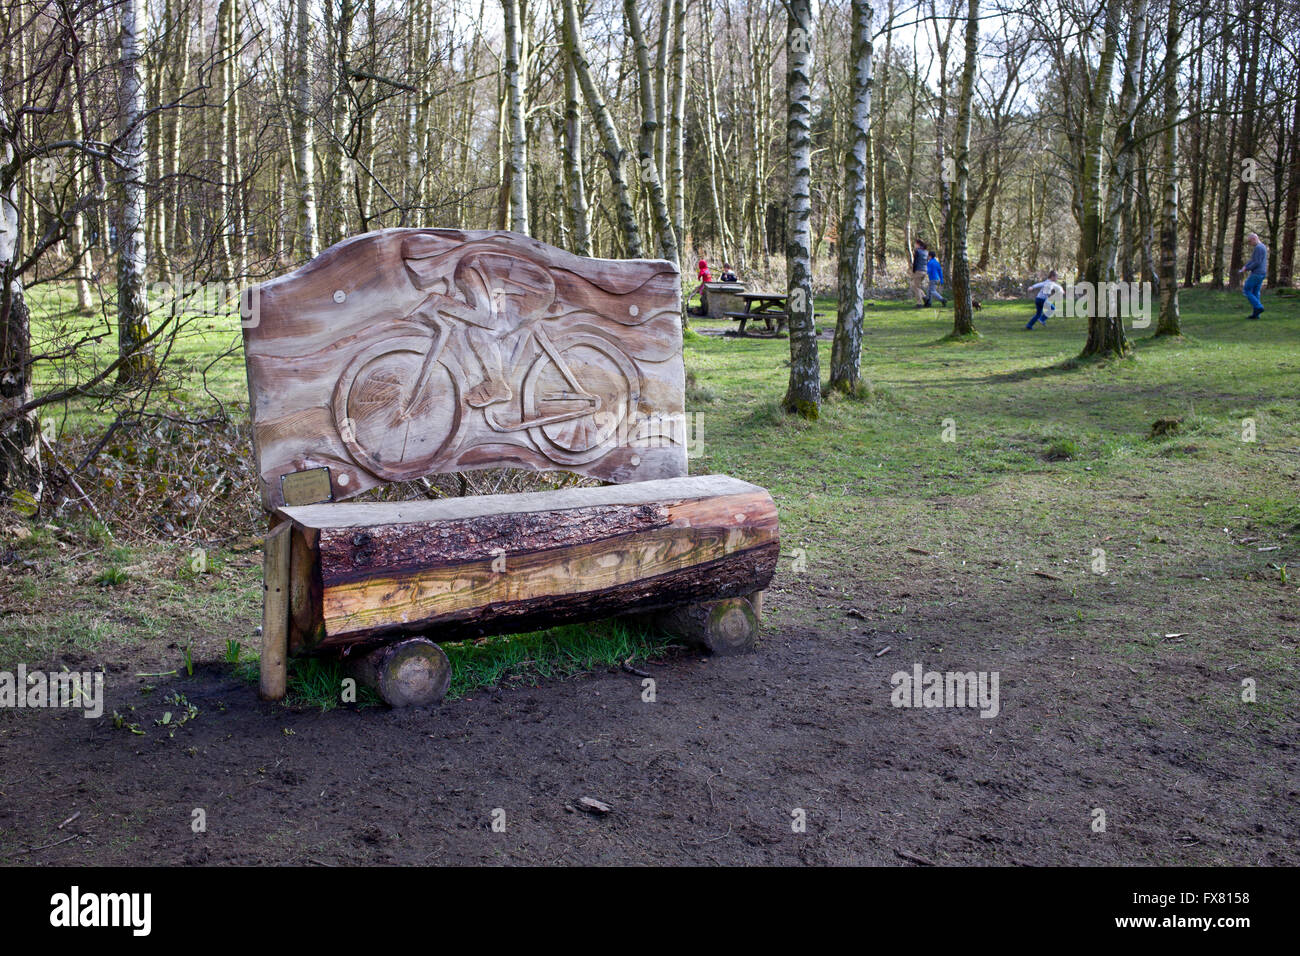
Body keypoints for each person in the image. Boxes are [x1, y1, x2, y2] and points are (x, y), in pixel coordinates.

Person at [1239, 233, 1268, 319]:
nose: (1249, 243)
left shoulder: (1259, 248)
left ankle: (1258, 307)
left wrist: (1247, 268)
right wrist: (1246, 266)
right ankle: (1256, 315)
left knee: (1246, 290)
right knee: (1255, 292)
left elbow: (1256, 262)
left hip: (1257, 273)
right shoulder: (1262, 247)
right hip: (1261, 273)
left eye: (1250, 241)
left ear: (1254, 239)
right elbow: (1253, 260)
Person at [910, 239, 929, 307]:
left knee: (915, 287)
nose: (915, 245)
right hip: (924, 270)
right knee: (915, 286)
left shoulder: (917, 251)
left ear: (918, 244)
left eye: (915, 244)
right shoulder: (926, 252)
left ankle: (919, 303)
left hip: (918, 270)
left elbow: (915, 262)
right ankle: (925, 298)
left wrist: (913, 271)